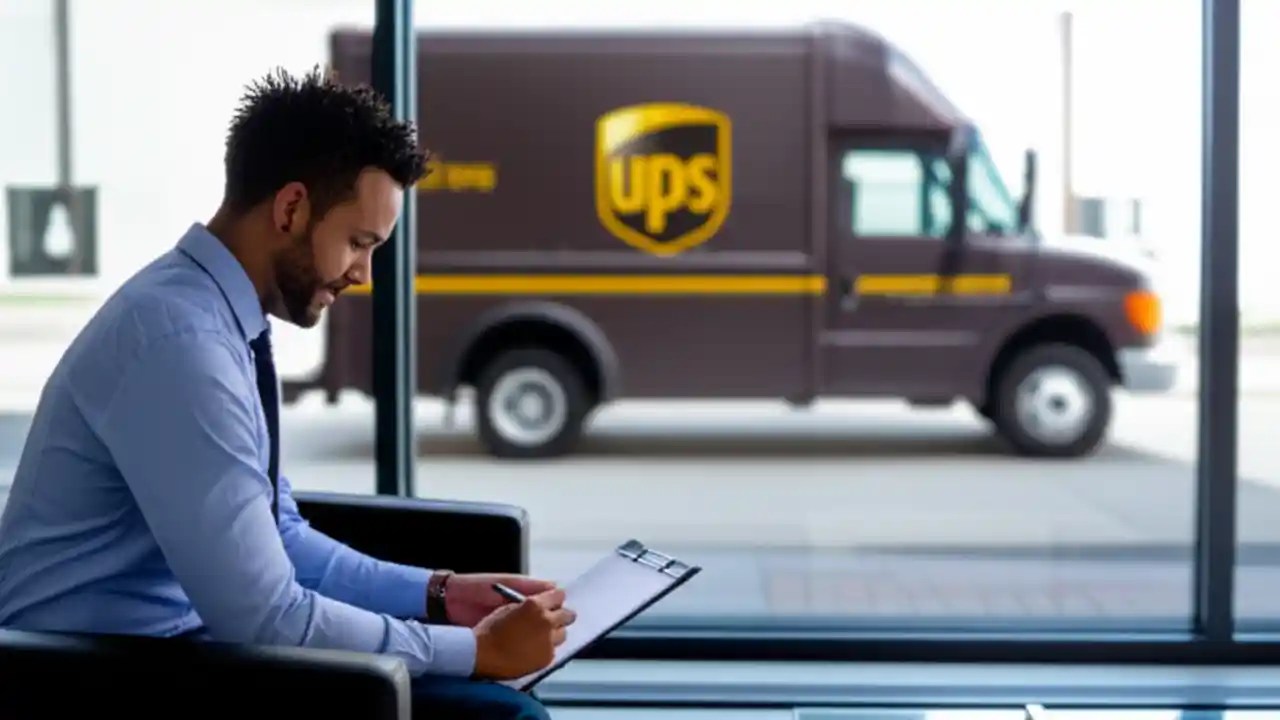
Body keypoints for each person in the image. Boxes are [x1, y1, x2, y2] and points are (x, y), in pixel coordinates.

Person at [0, 67, 574, 719]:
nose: (363, 273)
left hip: (170, 647)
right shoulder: (182, 344)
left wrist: (439, 595)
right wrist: (470, 650)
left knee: (480, 700)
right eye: (360, 243)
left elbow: (278, 535)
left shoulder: (215, 317)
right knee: (500, 713)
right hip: (84, 678)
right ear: (292, 207)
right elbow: (266, 615)